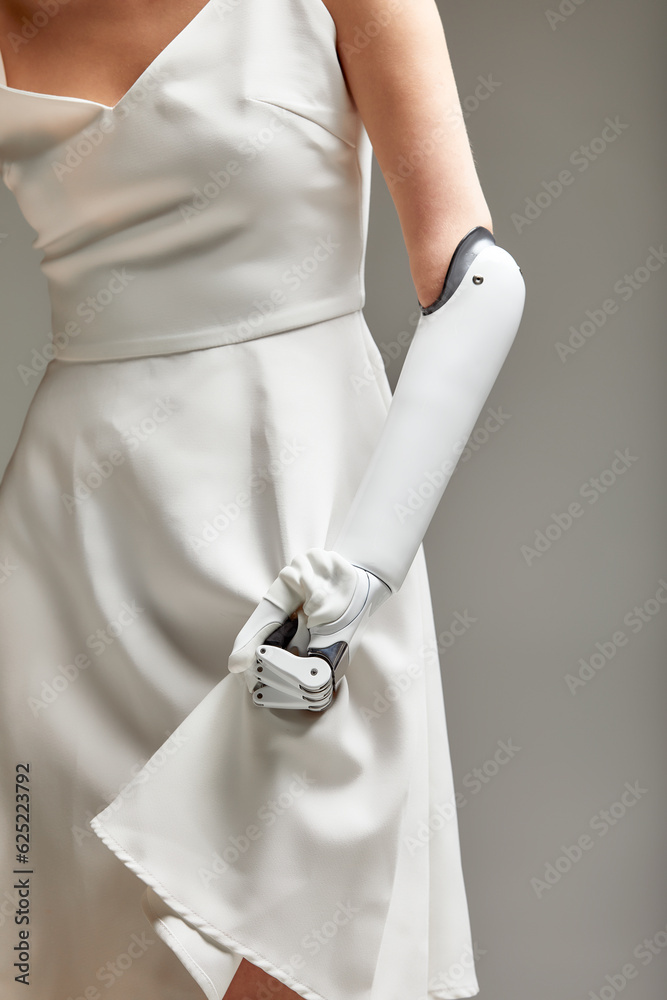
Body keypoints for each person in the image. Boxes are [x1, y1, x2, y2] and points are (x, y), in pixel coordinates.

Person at [0, 1, 525, 998]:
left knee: (304, 950)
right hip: (69, 564)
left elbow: (477, 285)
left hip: (311, 547)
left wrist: (360, 574)